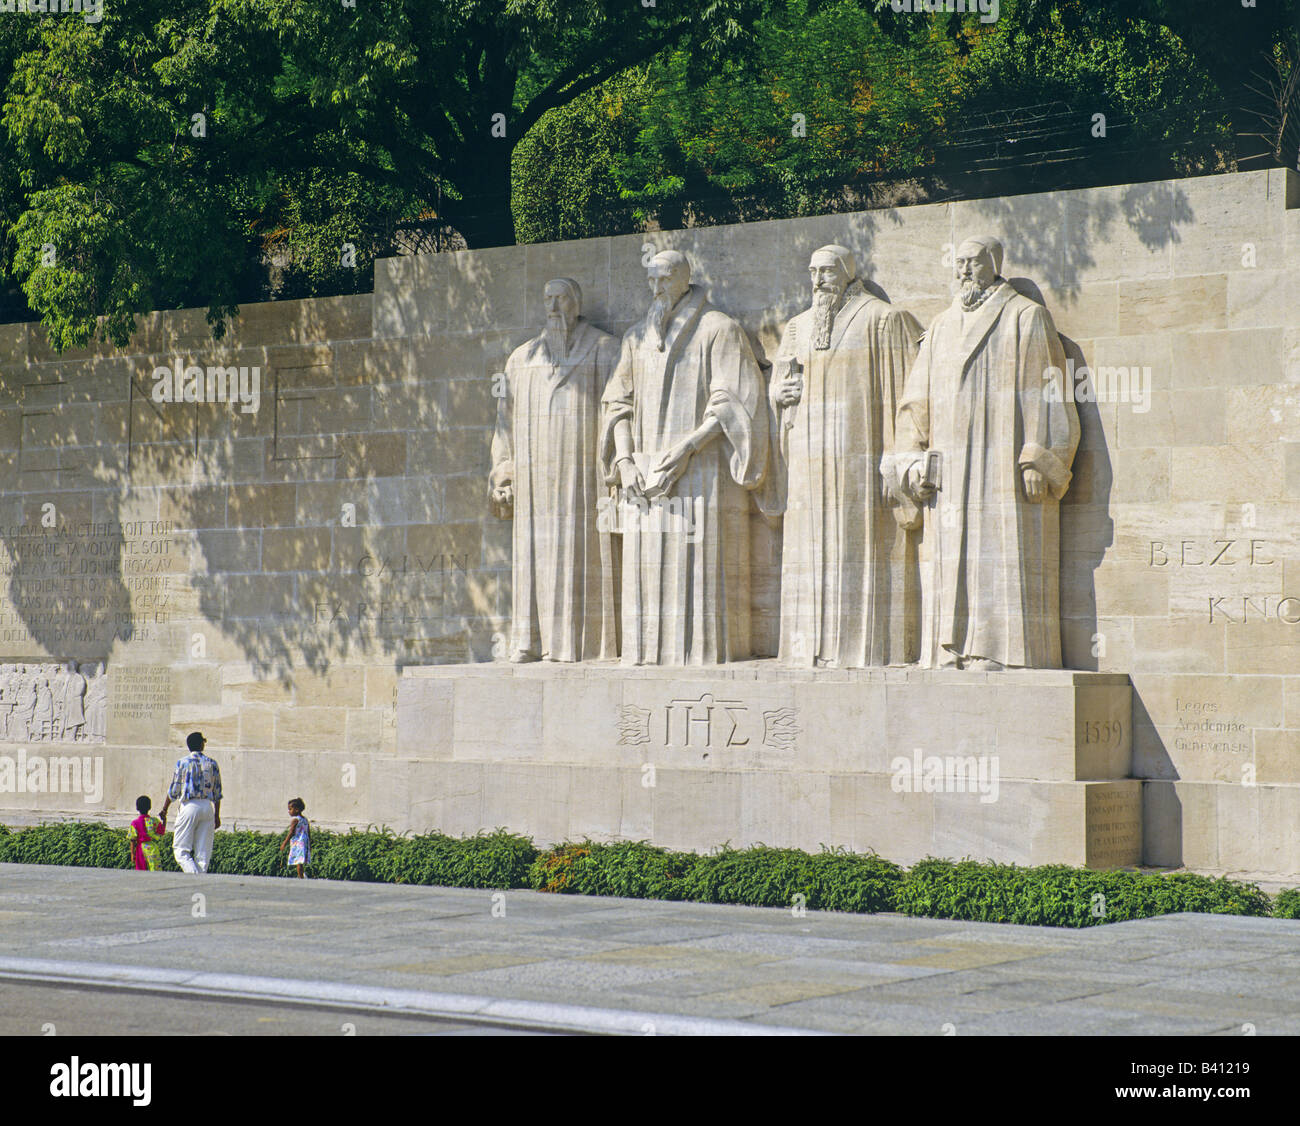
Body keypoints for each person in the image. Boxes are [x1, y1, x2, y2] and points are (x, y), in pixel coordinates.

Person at [892, 235, 1080, 669]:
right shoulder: (939, 326)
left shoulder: (1024, 316)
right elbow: (915, 400)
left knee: (1000, 546)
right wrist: (911, 457)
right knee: (951, 553)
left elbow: (1047, 388)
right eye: (958, 263)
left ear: (993, 265)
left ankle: (1001, 650)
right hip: (949, 466)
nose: (964, 272)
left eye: (974, 263)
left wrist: (1038, 455)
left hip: (1002, 458)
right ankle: (949, 650)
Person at [599, 250, 770, 664]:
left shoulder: (719, 329)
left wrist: (689, 447)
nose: (655, 289)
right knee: (647, 579)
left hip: (701, 472)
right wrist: (623, 462)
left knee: (698, 575)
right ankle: (644, 657)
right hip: (643, 475)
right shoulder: (636, 338)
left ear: (684, 280)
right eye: (651, 280)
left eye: (663, 280)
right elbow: (617, 404)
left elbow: (734, 402)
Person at [769, 245, 923, 668]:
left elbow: (904, 394)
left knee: (857, 546)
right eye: (812, 271)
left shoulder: (881, 319)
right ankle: (806, 648)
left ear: (847, 273)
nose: (818, 279)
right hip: (807, 460)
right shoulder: (798, 327)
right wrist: (779, 396)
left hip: (858, 454)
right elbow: (780, 386)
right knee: (806, 548)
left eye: (827, 270)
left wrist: (899, 458)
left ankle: (861, 647)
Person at [490, 277, 621, 662]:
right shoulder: (520, 360)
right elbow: (504, 425)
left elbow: (620, 409)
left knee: (578, 555)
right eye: (547, 299)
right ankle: (530, 641)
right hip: (533, 480)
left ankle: (575, 645)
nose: (553, 307)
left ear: (576, 304)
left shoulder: (604, 349)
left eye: (561, 299)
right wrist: (504, 474)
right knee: (534, 556)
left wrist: (619, 469)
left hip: (582, 477)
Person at [159, 731, 222, 874]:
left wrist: (165, 809)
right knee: (203, 852)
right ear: (201, 744)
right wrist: (217, 815)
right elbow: (217, 793)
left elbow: (174, 790)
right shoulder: (212, 763)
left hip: (189, 806)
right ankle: (199, 880)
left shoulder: (183, 763)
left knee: (181, 850)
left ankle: (193, 876)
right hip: (207, 806)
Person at [128, 795, 166, 872]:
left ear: (137, 808)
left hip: (140, 849)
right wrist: (164, 820)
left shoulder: (135, 823)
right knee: (155, 869)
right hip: (152, 848)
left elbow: (132, 839)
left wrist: (132, 853)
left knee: (141, 871)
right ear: (149, 807)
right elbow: (162, 831)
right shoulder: (154, 821)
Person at [279, 798, 310, 878]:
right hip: (304, 841)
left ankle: (300, 877)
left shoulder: (295, 820)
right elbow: (308, 832)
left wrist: (284, 843)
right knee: (301, 861)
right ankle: (302, 875)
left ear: (297, 809)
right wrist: (309, 843)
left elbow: (291, 832)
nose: (289, 811)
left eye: (290, 809)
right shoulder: (305, 819)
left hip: (298, 842)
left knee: (298, 861)